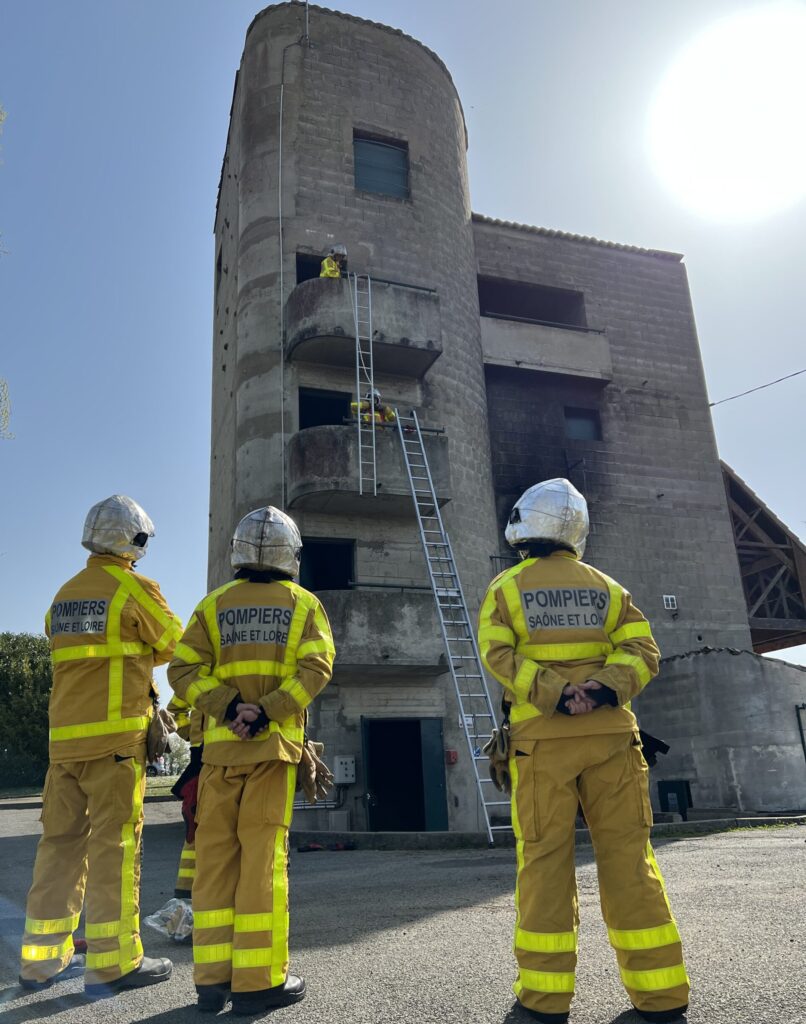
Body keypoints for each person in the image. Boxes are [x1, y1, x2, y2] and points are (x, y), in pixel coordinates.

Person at [478, 479, 689, 1024]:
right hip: (612, 740)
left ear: (525, 529)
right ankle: (662, 999)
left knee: (545, 866)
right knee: (629, 863)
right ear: (577, 530)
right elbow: (645, 651)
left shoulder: (507, 587)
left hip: (541, 744)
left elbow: (495, 653)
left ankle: (544, 1005)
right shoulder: (607, 587)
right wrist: (598, 689)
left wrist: (554, 693)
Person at [168, 506, 335, 1015]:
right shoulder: (304, 604)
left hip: (218, 756)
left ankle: (211, 984)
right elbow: (317, 667)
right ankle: (259, 983)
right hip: (272, 753)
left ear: (238, 551)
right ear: (291, 553)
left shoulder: (212, 606)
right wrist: (265, 712)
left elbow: (181, 671)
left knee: (214, 864)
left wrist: (226, 707)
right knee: (262, 865)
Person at [19, 495, 182, 998]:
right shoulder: (134, 588)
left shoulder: (64, 594)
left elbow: (57, 638)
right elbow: (174, 640)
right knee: (114, 849)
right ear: (131, 540)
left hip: (64, 747)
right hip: (114, 744)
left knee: (58, 848)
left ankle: (41, 963)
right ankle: (115, 964)